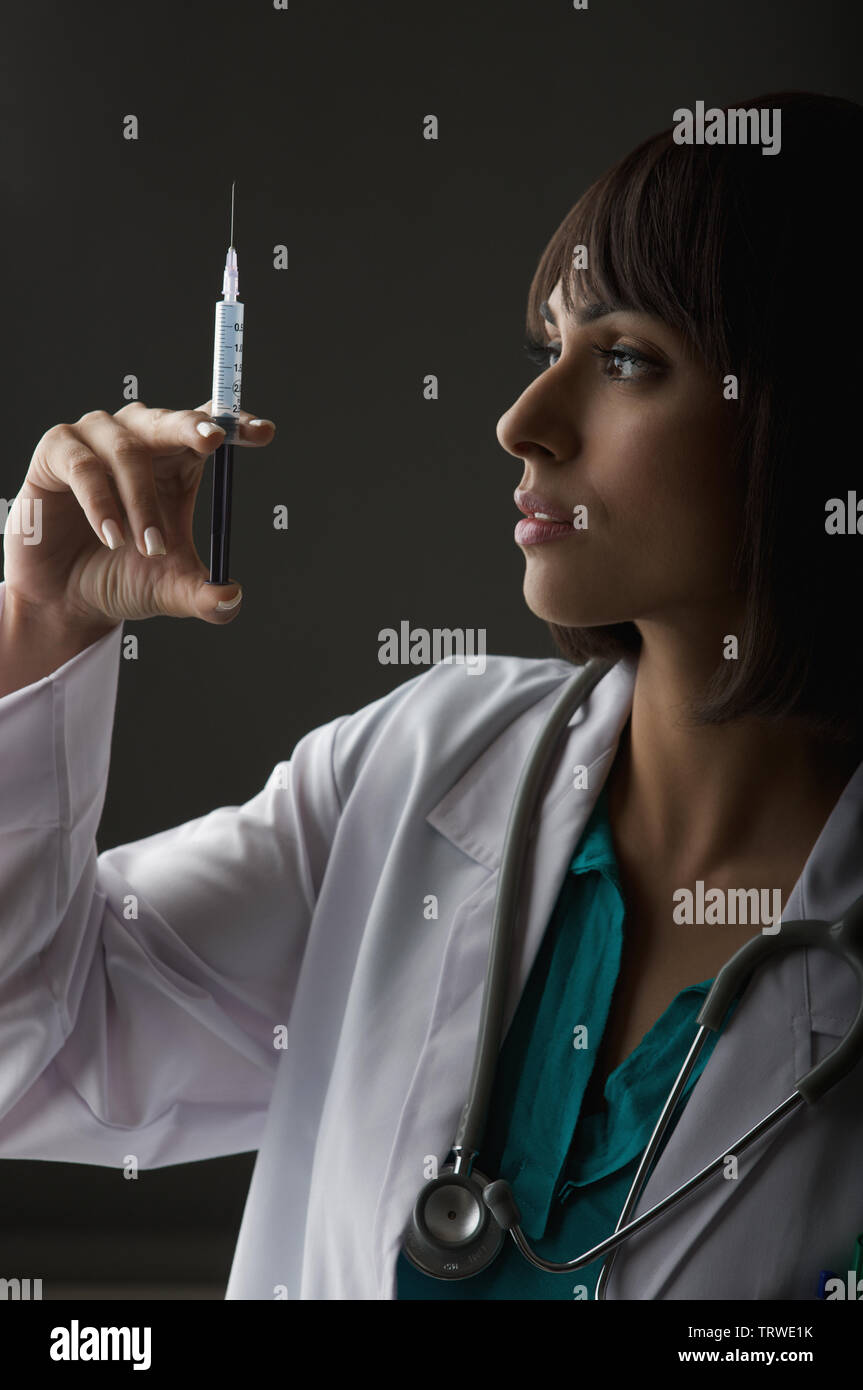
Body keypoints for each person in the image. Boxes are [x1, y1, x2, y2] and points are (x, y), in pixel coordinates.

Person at [0, 90, 861, 1301]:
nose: (523, 422)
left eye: (621, 358)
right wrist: (44, 618)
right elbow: (25, 1047)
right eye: (545, 349)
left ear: (813, 415)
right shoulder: (420, 768)